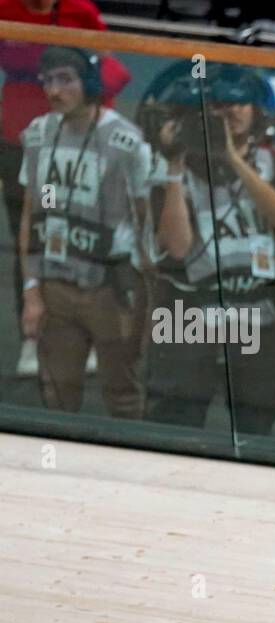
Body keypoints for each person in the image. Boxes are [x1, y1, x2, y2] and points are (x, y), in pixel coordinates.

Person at [144, 63, 275, 434]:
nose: (228, 112)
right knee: (178, 411)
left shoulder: (272, 165)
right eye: (216, 105)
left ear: (256, 110)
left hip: (254, 310)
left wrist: (231, 156)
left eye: (238, 103)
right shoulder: (168, 169)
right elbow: (179, 247)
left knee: (257, 410)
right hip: (189, 311)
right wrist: (174, 165)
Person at [0, 0, 131, 377]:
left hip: (75, 146)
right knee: (36, 236)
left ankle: (83, 335)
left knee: (79, 233)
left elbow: (109, 72)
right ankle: (33, 338)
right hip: (22, 144)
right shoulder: (6, 9)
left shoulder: (81, 12)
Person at [17, 46, 149, 417]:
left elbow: (144, 221)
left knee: (122, 394)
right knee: (57, 394)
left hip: (111, 286)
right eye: (48, 81)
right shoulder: (38, 136)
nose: (53, 91)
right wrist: (31, 289)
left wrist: (143, 293)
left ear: (89, 83)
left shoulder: (127, 144)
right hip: (56, 285)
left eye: (65, 80)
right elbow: (34, 212)